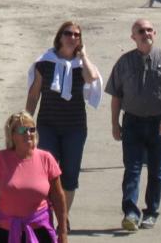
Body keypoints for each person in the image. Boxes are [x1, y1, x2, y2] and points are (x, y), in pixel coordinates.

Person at [106, 19, 161, 231]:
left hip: (158, 123)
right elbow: (116, 95)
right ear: (133, 37)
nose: (146, 33)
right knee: (132, 169)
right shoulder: (124, 62)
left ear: (155, 33)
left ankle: (151, 212)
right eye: (141, 31)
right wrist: (115, 124)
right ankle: (131, 213)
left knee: (157, 170)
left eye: (149, 30)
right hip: (132, 122)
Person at [25, 22, 102, 214]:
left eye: (77, 35)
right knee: (46, 174)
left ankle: (62, 218)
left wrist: (83, 55)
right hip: (48, 125)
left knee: (70, 176)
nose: (73, 38)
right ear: (60, 37)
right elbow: (34, 94)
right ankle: (45, 216)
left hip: (74, 128)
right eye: (68, 34)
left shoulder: (81, 65)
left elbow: (92, 77)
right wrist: (27, 120)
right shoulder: (45, 62)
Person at [0, 111, 68, 243]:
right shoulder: (0, 159)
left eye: (31, 129)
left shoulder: (46, 159)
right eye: (22, 130)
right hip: (4, 232)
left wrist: (62, 231)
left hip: (40, 231)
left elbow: (58, 197)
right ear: (12, 135)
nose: (28, 133)